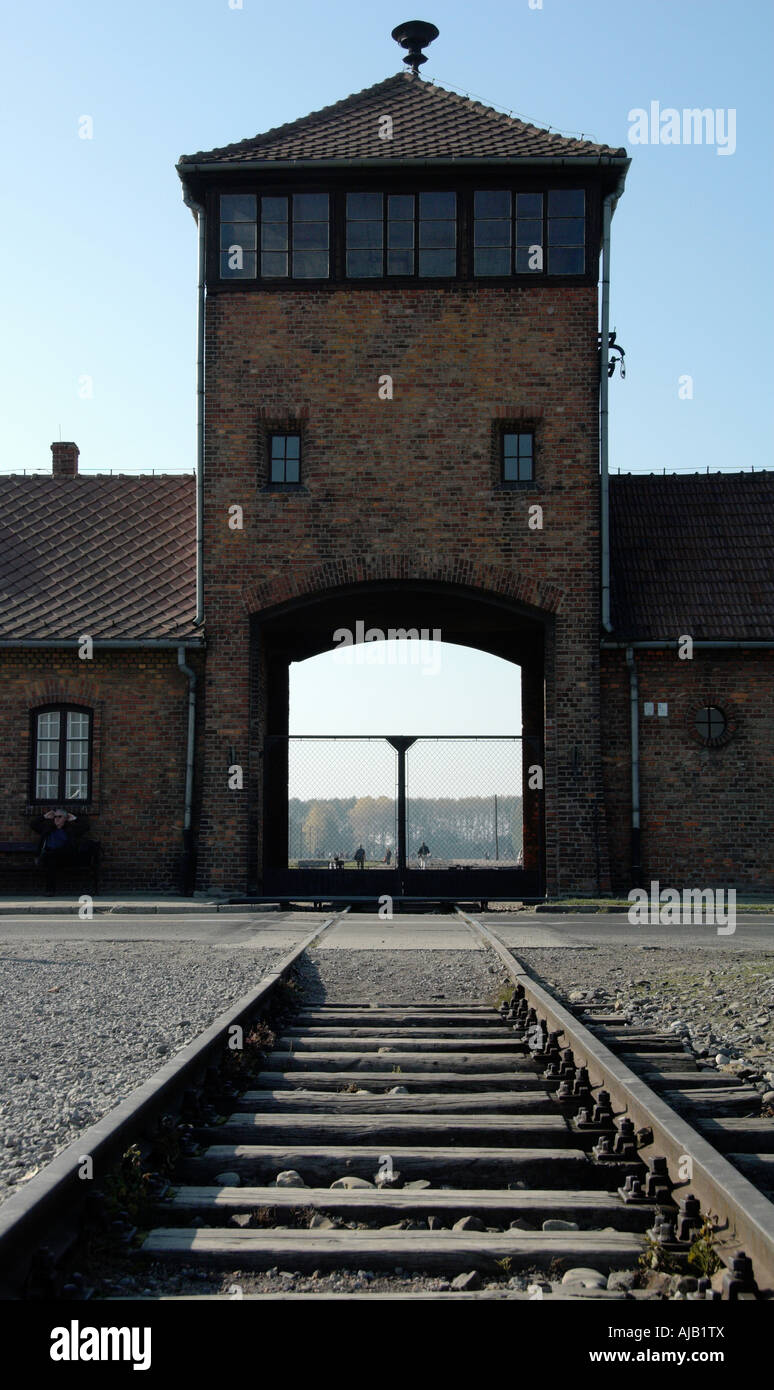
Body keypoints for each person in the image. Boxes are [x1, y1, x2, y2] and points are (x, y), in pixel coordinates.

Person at [31, 808, 91, 895]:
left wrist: (75, 818)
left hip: (65, 856)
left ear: (65, 819)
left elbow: (86, 826)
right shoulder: (48, 829)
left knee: (52, 856)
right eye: (55, 817)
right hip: (50, 856)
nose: (57, 819)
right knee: (50, 860)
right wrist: (44, 817)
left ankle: (50, 890)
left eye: (60, 816)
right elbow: (33, 824)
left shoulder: (70, 830)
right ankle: (50, 890)